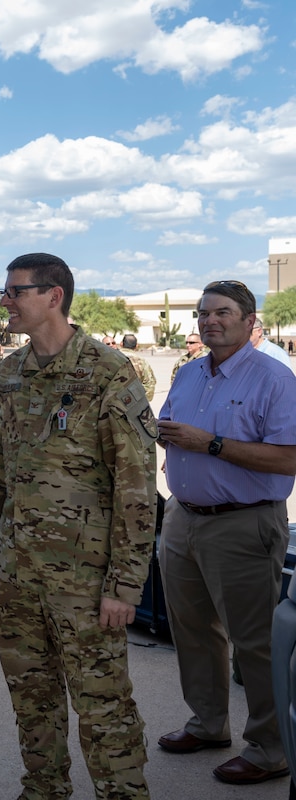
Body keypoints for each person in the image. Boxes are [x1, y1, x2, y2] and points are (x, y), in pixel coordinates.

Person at [0, 253, 156, 800]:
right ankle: (44, 788)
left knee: (103, 704)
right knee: (32, 695)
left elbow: (137, 489)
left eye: (15, 292)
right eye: (4, 292)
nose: (5, 302)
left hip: (87, 580)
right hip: (20, 572)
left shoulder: (108, 372)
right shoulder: (7, 374)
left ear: (53, 296)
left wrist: (125, 584)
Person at [156, 279, 296, 786]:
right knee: (192, 632)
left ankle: (270, 748)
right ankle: (209, 723)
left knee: (254, 641)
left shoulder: (274, 380)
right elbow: (171, 429)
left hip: (243, 523)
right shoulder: (189, 374)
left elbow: (288, 457)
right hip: (182, 517)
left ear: (248, 320)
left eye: (222, 312)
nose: (210, 320)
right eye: (203, 313)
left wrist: (211, 444)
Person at [119, 334, 156, 401]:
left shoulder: (111, 358)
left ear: (121, 344)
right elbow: (150, 383)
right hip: (134, 403)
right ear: (136, 346)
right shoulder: (141, 361)